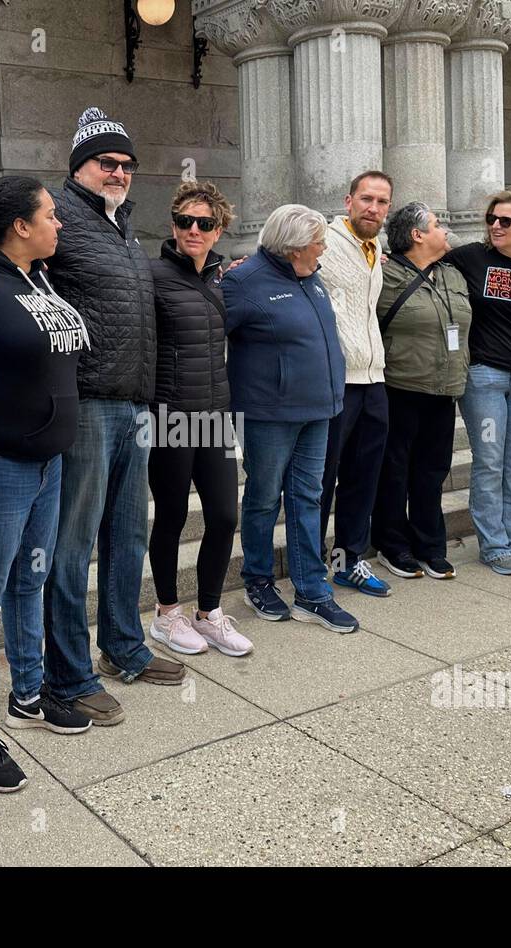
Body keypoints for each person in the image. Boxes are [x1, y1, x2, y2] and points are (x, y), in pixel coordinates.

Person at [0, 176, 95, 794]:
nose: (60, 225)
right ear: (20, 228)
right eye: (51, 216)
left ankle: (29, 693)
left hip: (49, 463)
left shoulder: (41, 278)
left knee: (30, 579)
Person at [43, 107, 185, 726]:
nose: (120, 173)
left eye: (127, 165)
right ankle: (68, 675)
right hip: (88, 405)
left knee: (128, 535)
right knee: (72, 545)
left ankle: (124, 646)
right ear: (79, 167)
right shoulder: (58, 219)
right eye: (107, 162)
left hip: (135, 403)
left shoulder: (123, 226)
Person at [224, 204, 358, 633]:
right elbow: (206, 337)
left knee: (308, 498)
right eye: (318, 243)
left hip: (319, 410)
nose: (323, 250)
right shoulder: (243, 282)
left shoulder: (311, 277)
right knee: (264, 498)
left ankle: (312, 593)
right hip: (268, 415)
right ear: (294, 247)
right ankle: (259, 580)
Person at [146, 181, 253, 657]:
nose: (194, 229)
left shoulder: (221, 280)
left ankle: (209, 613)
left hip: (215, 414)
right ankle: (167, 614)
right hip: (170, 415)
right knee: (170, 516)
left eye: (205, 223)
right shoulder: (151, 275)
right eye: (186, 221)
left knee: (225, 516)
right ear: (173, 226)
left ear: (218, 230)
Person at [446, 190, 511, 576]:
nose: (495, 226)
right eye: (492, 218)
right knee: (490, 461)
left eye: (505, 221)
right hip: (485, 377)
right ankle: (493, 546)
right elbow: (422, 266)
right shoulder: (470, 257)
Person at [370, 202, 473, 580]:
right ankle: (392, 544)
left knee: (432, 472)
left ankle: (431, 546)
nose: (444, 229)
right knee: (395, 472)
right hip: (400, 387)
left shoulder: (453, 274)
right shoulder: (384, 273)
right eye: (436, 224)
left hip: (444, 389)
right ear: (416, 235)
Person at [316, 171, 395, 595]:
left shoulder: (374, 246)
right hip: (336, 380)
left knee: (364, 478)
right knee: (322, 478)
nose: (374, 208)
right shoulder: (323, 240)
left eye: (382, 202)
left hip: (373, 377)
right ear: (348, 201)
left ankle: (349, 560)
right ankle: (310, 568)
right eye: (366, 199)